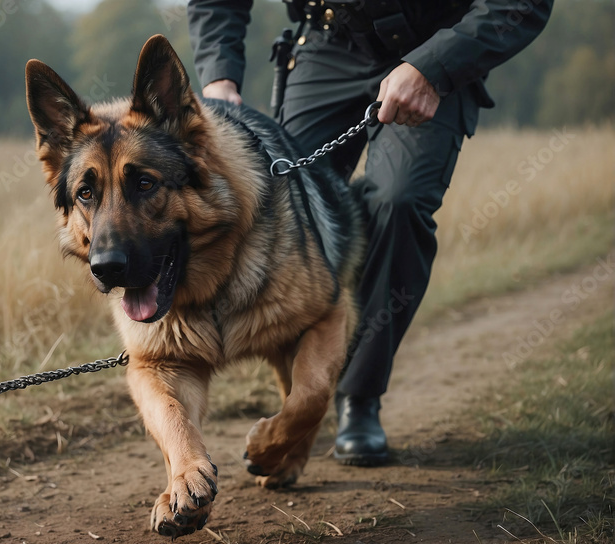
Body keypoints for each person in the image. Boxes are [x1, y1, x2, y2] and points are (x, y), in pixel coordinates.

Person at [188, 0, 553, 466]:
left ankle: (357, 396)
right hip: (326, 44)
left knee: (396, 202)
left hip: (437, 43)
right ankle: (297, 396)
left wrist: (431, 66)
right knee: (282, 210)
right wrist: (220, 75)